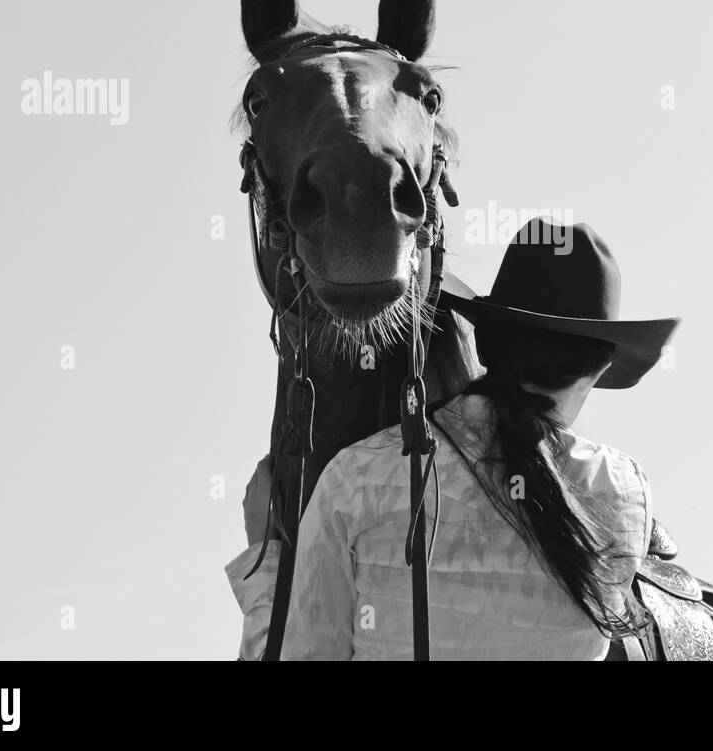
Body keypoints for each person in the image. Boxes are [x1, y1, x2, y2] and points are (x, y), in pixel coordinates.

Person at [225, 217, 680, 659]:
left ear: (484, 344)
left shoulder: (354, 479)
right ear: (599, 369)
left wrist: (261, 565)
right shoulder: (623, 495)